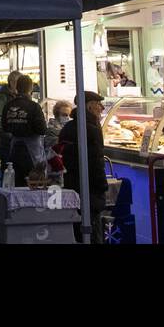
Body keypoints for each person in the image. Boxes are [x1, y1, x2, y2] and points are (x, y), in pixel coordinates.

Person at [58, 91, 108, 243]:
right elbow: (96, 160)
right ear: (90, 106)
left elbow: (61, 155)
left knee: (77, 230)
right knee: (93, 232)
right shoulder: (91, 128)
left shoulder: (68, 127)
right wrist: (102, 186)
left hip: (72, 185)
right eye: (99, 104)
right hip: (90, 189)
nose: (102, 108)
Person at [2, 75, 47, 186]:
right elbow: (42, 129)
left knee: (16, 181)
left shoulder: (8, 105)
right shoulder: (34, 106)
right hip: (32, 150)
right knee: (34, 182)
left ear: (17, 87)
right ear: (30, 88)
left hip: (14, 148)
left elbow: (5, 127)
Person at [0, 71, 21, 171]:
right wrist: (9, 136)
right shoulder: (2, 99)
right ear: (12, 82)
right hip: (7, 144)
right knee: (8, 173)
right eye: (19, 82)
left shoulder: (18, 98)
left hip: (17, 143)